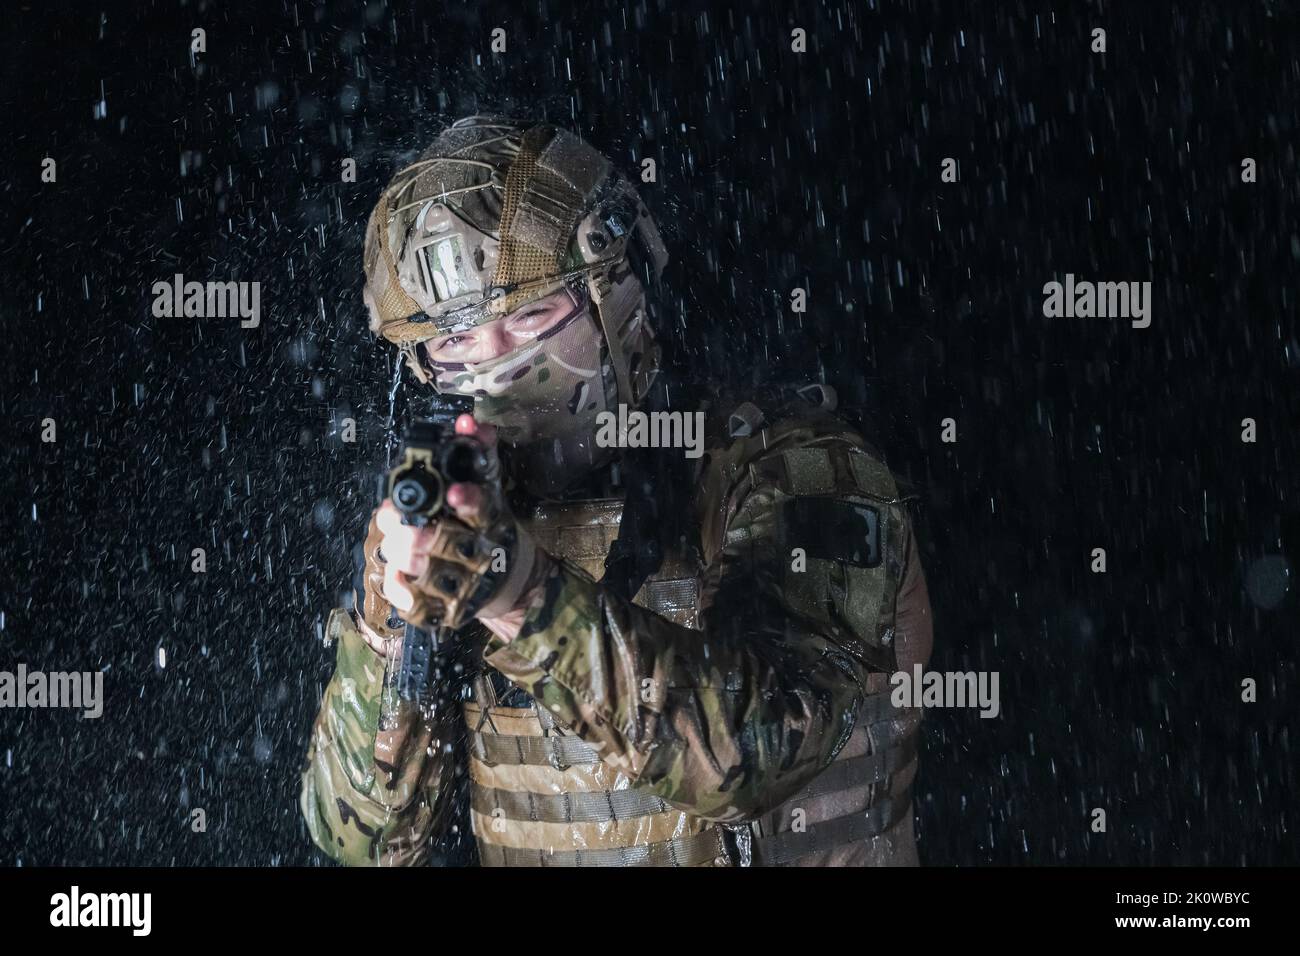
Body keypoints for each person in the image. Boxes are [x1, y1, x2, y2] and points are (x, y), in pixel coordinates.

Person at [299, 115, 933, 866]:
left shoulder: (797, 470)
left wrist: (518, 594)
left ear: (618, 297)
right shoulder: (453, 516)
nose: (496, 364)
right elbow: (364, 841)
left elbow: (759, 753)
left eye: (531, 314)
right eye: (456, 340)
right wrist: (395, 623)